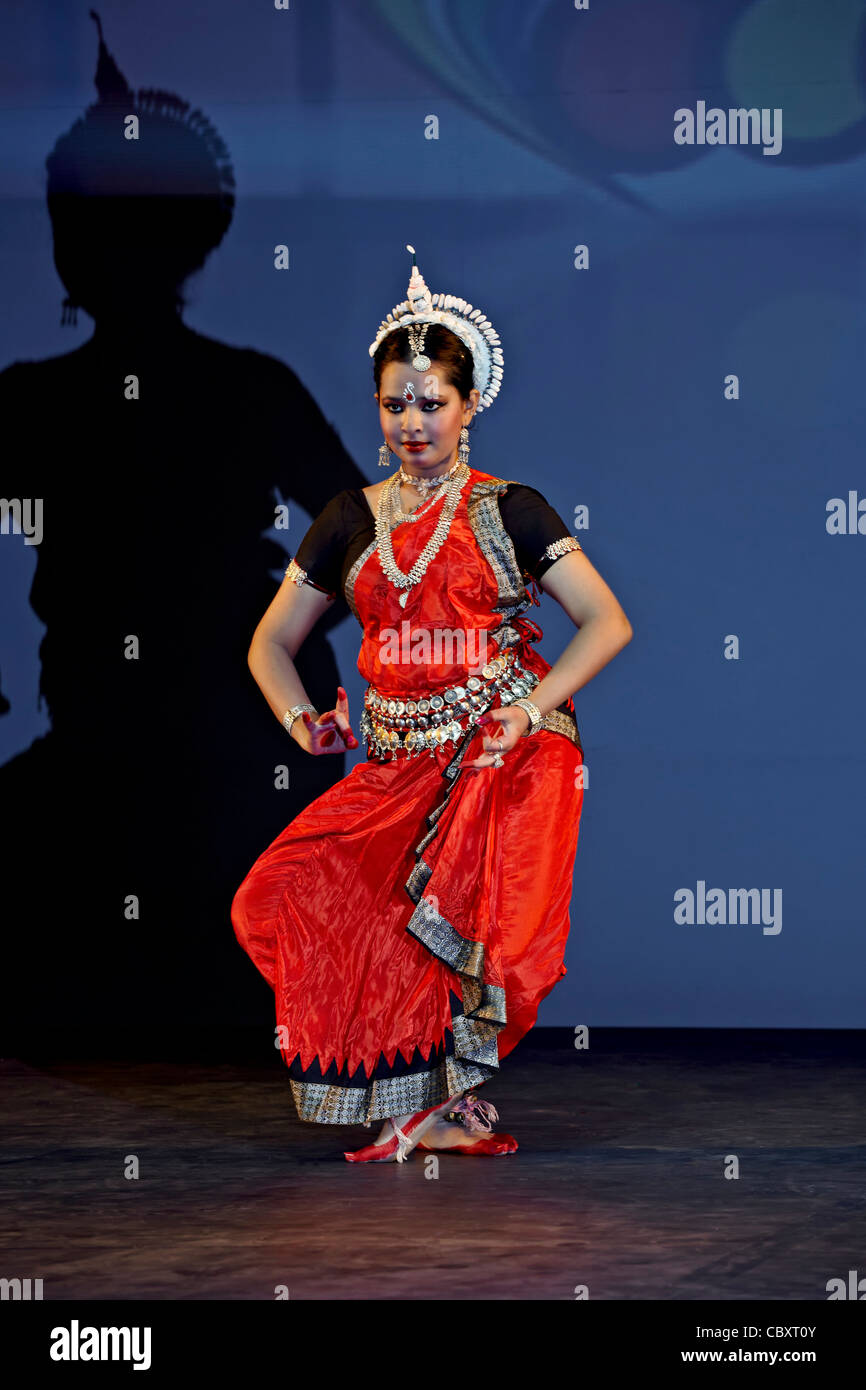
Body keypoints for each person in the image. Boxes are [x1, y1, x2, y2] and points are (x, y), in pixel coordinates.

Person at [231, 246, 633, 1162]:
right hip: (395, 757)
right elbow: (269, 643)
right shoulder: (350, 517)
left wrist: (528, 712)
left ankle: (434, 1107)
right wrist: (304, 722)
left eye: (431, 403)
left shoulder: (512, 510)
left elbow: (607, 622)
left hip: (501, 754)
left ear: (469, 404)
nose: (412, 422)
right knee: (291, 900)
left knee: (481, 939)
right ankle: (424, 1104)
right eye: (394, 404)